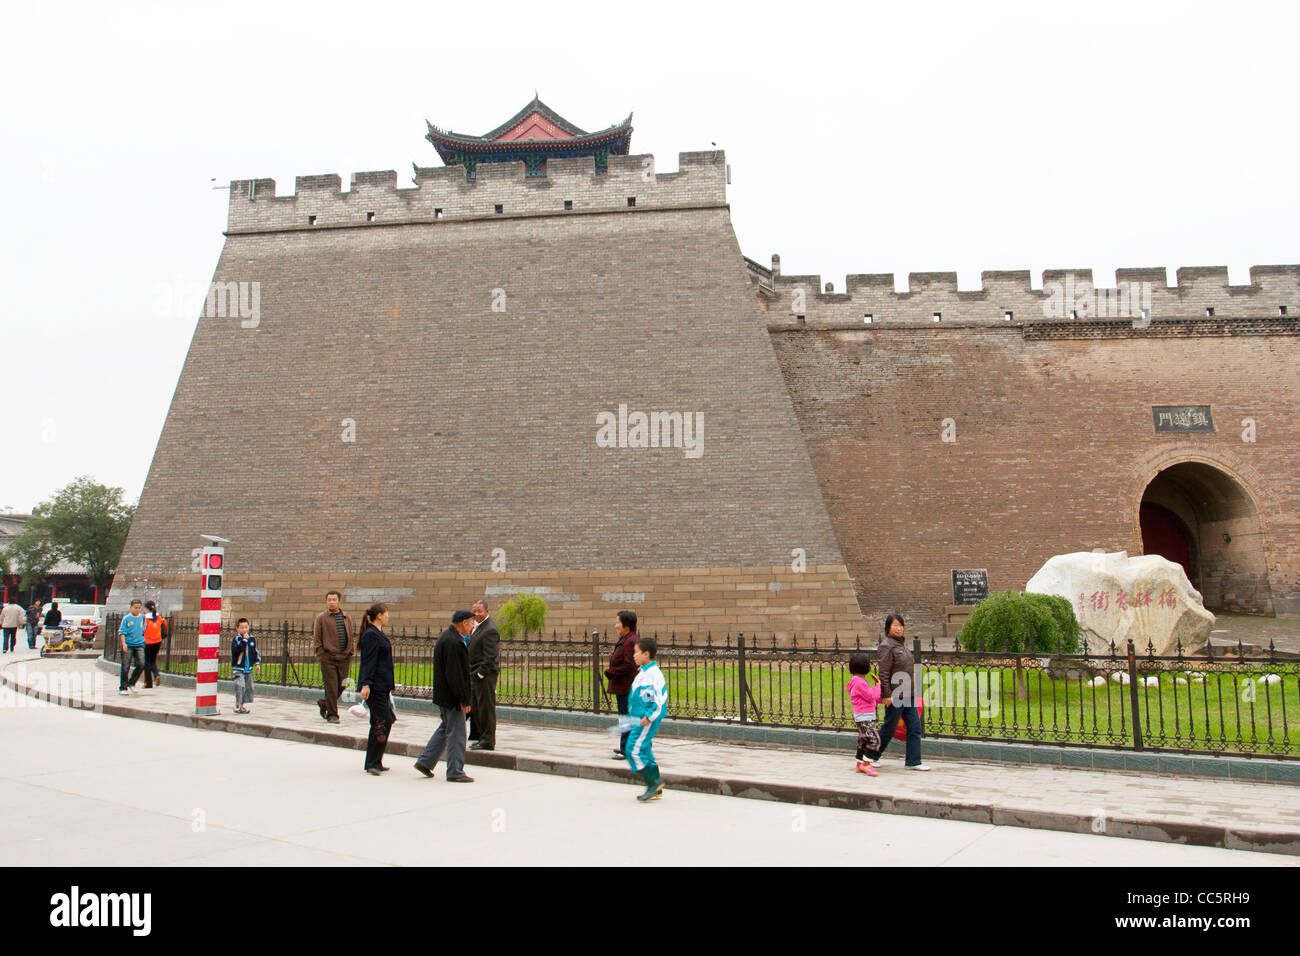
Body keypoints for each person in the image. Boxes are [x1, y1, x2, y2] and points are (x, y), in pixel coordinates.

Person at [414, 610, 475, 782]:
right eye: (471, 623)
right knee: (457, 734)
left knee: (446, 728)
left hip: (445, 695)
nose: (472, 627)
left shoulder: (448, 637)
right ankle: (455, 771)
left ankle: (425, 761)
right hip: (452, 697)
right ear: (463, 623)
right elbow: (455, 675)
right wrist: (463, 699)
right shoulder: (454, 642)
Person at [875, 613, 930, 771]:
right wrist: (886, 694)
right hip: (895, 695)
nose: (899, 628)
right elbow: (884, 672)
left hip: (909, 694)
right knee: (889, 728)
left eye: (901, 625)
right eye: (895, 625)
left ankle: (913, 761)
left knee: (914, 727)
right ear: (888, 627)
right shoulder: (886, 646)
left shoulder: (901, 645)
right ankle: (871, 755)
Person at [625, 636, 668, 802]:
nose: (634, 656)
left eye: (636, 652)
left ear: (647, 653)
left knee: (632, 749)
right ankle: (656, 787)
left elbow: (660, 698)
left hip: (646, 719)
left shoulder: (654, 674)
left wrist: (649, 716)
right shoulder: (643, 672)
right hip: (639, 718)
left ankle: (653, 783)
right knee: (644, 749)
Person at [357, 603, 395, 775]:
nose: (388, 616)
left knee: (381, 721)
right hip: (375, 686)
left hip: (382, 685)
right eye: (386, 614)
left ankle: (375, 760)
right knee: (382, 721)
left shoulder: (377, 633)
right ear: (379, 615)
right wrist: (366, 684)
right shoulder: (371, 635)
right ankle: (373, 761)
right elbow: (368, 661)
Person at [311, 590, 354, 724]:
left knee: (342, 684)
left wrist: (349, 652)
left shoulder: (347, 617)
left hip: (344, 657)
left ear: (339, 601)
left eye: (334, 600)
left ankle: (324, 703)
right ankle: (332, 714)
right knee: (331, 686)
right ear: (326, 601)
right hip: (328, 658)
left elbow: (351, 635)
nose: (331, 602)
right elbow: (317, 638)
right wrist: (321, 654)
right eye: (329, 600)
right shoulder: (321, 618)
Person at [604, 610, 639, 759]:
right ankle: (625, 746)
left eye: (618, 622)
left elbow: (630, 666)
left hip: (627, 687)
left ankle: (628, 750)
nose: (616, 625)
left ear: (626, 625)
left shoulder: (630, 641)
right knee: (625, 717)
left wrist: (612, 671)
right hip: (623, 686)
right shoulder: (626, 639)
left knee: (627, 718)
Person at [467, 599, 500, 751]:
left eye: (479, 611)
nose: (476, 614)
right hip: (475, 673)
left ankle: (487, 740)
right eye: (474, 611)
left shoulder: (490, 629)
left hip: (485, 675)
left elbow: (491, 656)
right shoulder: (478, 627)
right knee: (478, 706)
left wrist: (480, 674)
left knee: (485, 707)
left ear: (487, 612)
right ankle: (479, 736)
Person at [847, 652, 882, 776]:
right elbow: (871, 695)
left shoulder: (857, 681)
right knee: (874, 740)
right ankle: (866, 764)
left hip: (863, 715)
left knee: (863, 740)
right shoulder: (859, 682)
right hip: (865, 716)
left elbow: (868, 697)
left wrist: (881, 699)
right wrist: (878, 686)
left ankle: (859, 763)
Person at [231, 618, 261, 714]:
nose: (244, 630)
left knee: (249, 687)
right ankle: (238, 705)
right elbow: (238, 649)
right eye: (242, 627)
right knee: (240, 686)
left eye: (246, 627)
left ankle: (242, 705)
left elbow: (255, 651)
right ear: (237, 628)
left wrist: (257, 663)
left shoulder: (252, 639)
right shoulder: (237, 639)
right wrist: (244, 640)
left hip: (248, 668)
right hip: (238, 667)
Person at [118, 600, 147, 694]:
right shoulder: (126, 619)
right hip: (129, 644)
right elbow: (122, 632)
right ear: (131, 608)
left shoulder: (142, 618)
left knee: (141, 664)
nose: (137, 609)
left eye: (139, 608)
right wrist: (124, 643)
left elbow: (143, 629)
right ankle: (123, 687)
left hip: (139, 644)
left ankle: (132, 682)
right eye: (135, 607)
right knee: (125, 667)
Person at [142, 601, 168, 688]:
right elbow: (165, 627)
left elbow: (141, 629)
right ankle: (156, 675)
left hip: (147, 642)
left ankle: (148, 683)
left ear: (146, 608)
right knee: (152, 661)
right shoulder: (160, 617)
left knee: (147, 662)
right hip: (157, 642)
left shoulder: (145, 618)